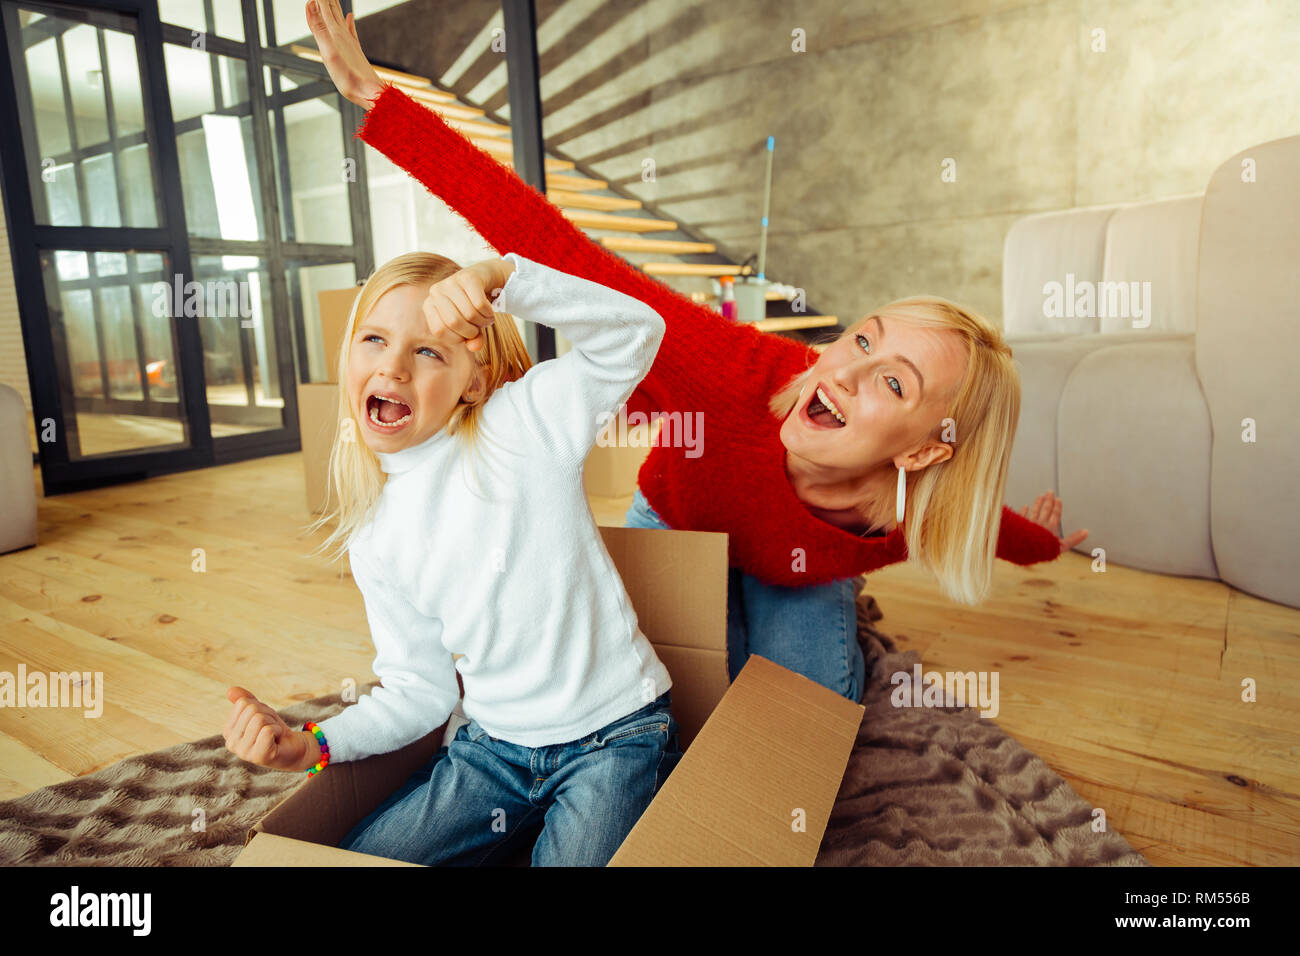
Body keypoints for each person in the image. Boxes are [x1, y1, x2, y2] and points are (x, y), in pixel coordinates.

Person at [303, 0, 1089, 704]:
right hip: (678, 521)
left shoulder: (921, 507)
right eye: (861, 337)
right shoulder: (728, 370)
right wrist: (384, 104)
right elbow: (555, 246)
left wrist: (1052, 544)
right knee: (675, 693)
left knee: (804, 709)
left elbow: (984, 521)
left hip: (795, 567)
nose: (840, 368)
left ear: (922, 453)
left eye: (889, 378)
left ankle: (787, 605)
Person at [222, 250, 681, 866]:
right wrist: (311, 744)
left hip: (616, 737)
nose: (393, 366)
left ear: (476, 380)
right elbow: (419, 688)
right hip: (493, 750)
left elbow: (636, 333)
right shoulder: (375, 535)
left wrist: (504, 279)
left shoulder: (524, 426)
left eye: (428, 350)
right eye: (375, 340)